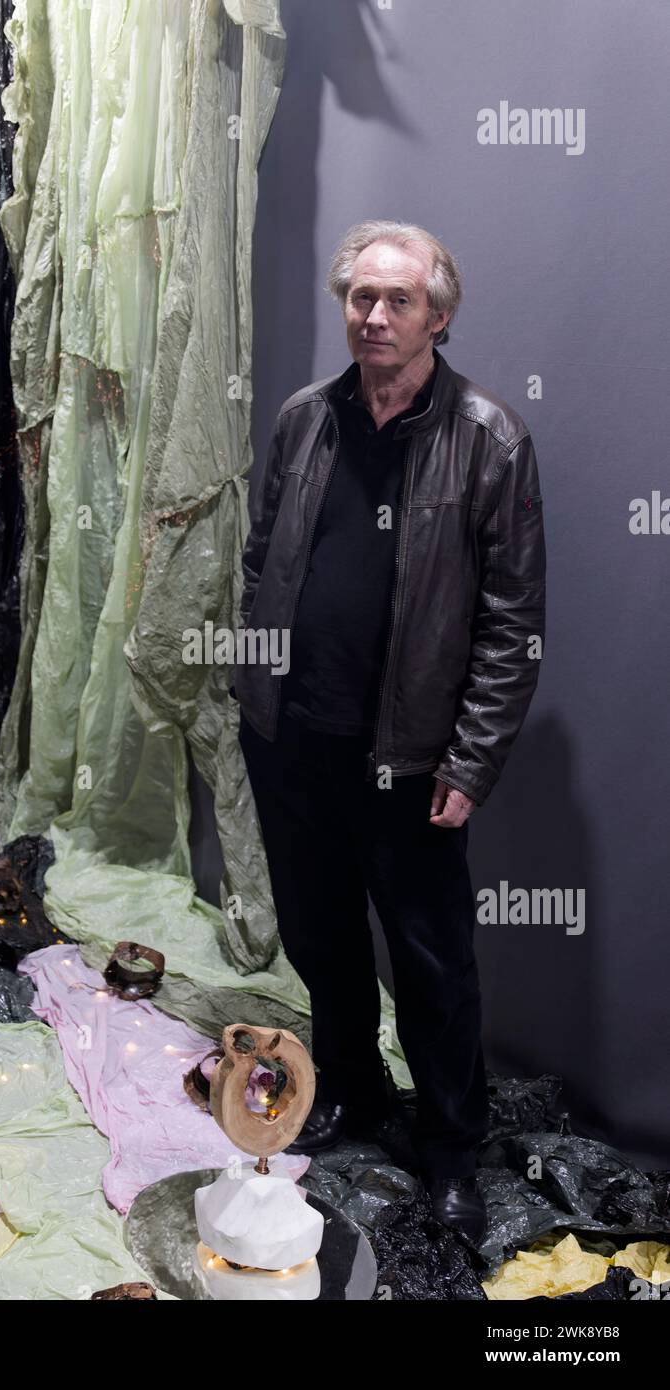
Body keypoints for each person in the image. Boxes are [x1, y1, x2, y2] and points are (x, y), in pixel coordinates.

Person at [233, 220, 546, 1245]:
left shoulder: (489, 438)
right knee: (323, 942)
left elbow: (512, 623)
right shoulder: (303, 420)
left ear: (439, 317)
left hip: (408, 761)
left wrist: (471, 759)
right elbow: (260, 559)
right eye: (360, 297)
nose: (373, 316)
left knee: (433, 966)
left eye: (397, 300)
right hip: (296, 741)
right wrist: (257, 689)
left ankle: (452, 1150)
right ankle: (354, 1092)